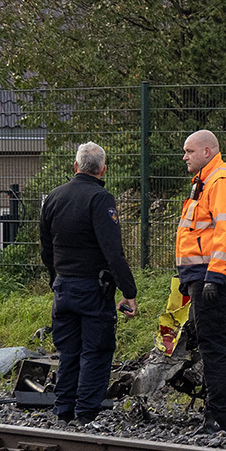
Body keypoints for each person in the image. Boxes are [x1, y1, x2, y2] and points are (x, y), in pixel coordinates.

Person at [37, 141, 137, 422]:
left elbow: (46, 248)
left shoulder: (54, 197)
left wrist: (56, 279)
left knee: (68, 352)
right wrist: (129, 291)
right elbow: (112, 251)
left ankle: (63, 410)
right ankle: (86, 414)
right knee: (96, 350)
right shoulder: (100, 199)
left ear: (75, 166)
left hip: (63, 288)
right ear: (103, 170)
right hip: (94, 289)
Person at [178, 128, 226, 434]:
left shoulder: (220, 181)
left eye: (189, 151)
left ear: (207, 151)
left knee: (214, 346)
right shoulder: (207, 182)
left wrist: (214, 276)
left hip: (217, 276)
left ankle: (220, 416)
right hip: (212, 275)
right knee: (222, 344)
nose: (185, 157)